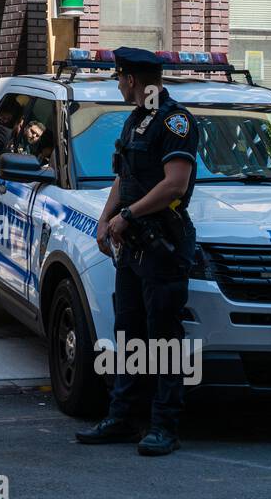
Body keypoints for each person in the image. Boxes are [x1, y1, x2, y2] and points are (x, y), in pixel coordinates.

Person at [76, 48, 197, 457]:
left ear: (131, 78)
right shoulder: (134, 120)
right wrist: (105, 217)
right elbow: (122, 176)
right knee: (129, 334)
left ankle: (164, 425)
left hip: (162, 244)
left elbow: (175, 185)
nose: (117, 84)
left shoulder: (175, 121)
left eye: (119, 78)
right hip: (131, 248)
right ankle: (123, 416)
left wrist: (126, 215)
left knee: (163, 338)